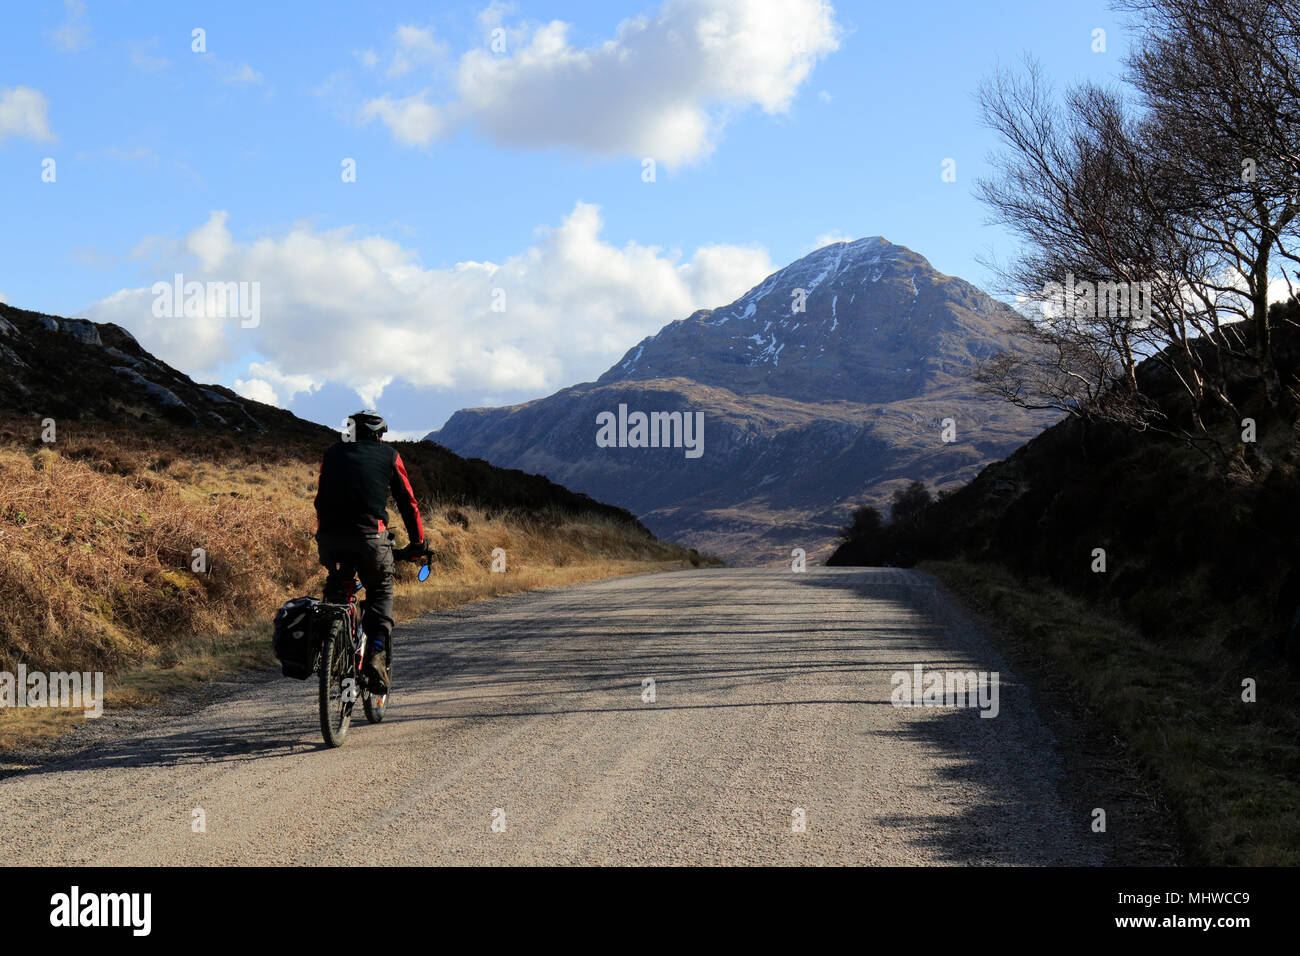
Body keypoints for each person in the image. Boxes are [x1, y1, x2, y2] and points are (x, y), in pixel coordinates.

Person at [313, 409, 427, 693]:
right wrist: (417, 543)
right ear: (378, 435)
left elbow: (320, 499)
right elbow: (408, 503)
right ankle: (375, 655)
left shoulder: (331, 454)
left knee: (338, 585)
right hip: (370, 540)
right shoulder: (389, 455)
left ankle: (328, 644)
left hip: (329, 540)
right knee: (380, 591)